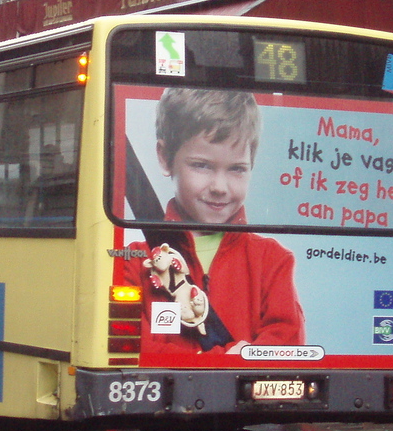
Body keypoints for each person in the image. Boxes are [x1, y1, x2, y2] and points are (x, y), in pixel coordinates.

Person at [123, 87, 305, 355]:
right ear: (164, 157)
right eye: (202, 165)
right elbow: (130, 347)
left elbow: (286, 346)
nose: (220, 187)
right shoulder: (133, 261)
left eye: (236, 169)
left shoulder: (273, 261)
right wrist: (232, 357)